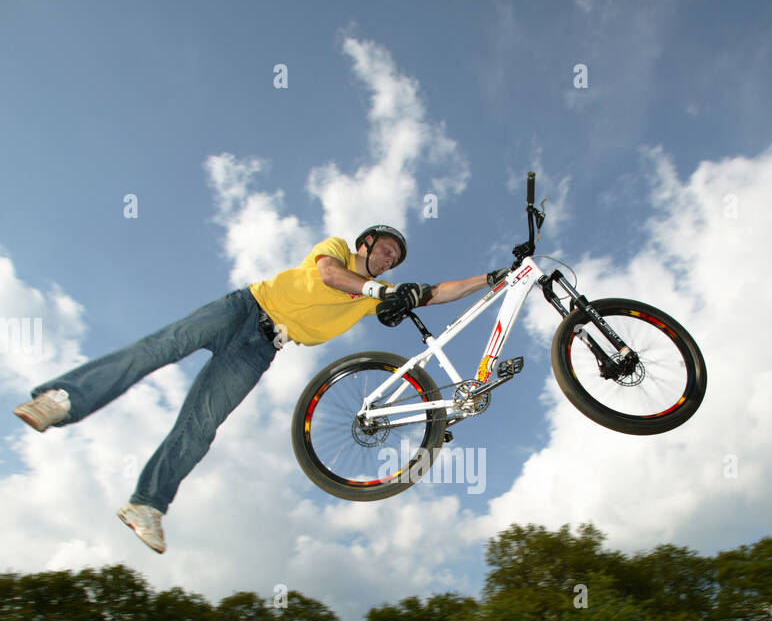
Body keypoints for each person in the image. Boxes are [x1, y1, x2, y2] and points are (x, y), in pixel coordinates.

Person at [14, 228, 495, 553]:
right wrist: (379, 292)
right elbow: (328, 274)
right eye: (386, 250)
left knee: (202, 426)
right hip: (243, 309)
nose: (389, 261)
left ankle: (147, 503)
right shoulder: (339, 256)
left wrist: (490, 279)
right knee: (157, 349)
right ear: (366, 243)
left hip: (260, 350)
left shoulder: (370, 300)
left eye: (395, 260)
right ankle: (62, 400)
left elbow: (438, 291)